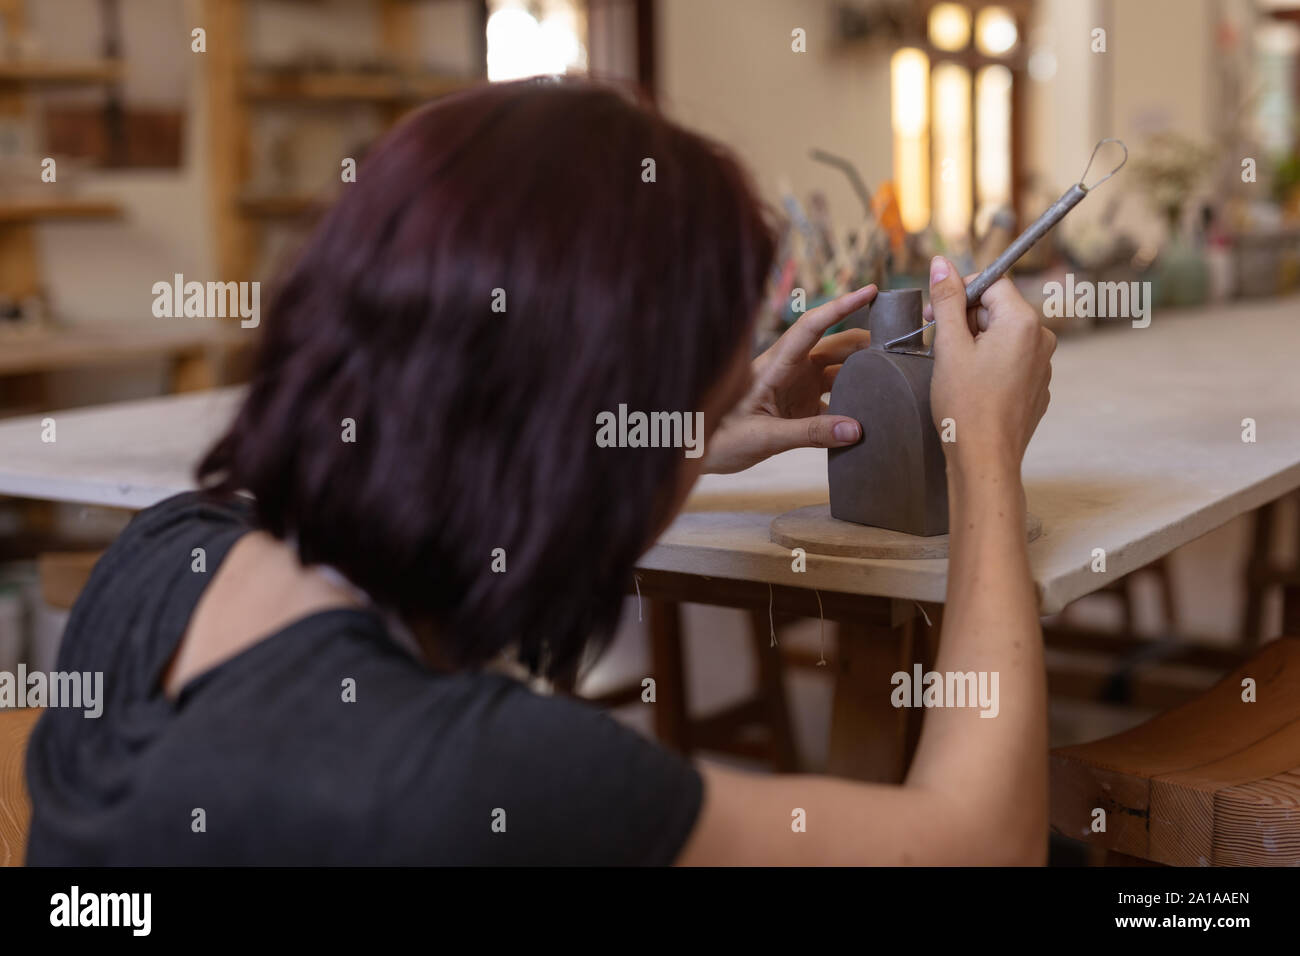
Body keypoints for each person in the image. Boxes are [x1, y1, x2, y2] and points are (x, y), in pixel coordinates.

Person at [25, 78, 1054, 866]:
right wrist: (981, 455)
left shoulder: (166, 548)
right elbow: (980, 841)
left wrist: (677, 432)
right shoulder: (485, 773)